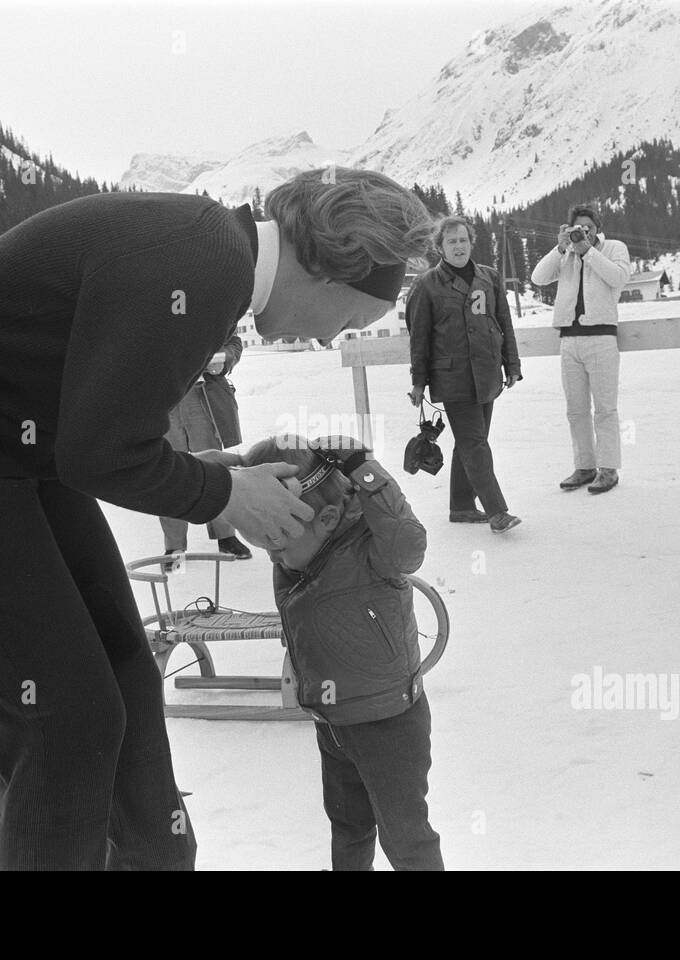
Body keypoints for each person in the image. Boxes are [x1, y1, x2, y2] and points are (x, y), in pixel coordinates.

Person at [0, 168, 434, 869]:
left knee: (124, 676)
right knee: (64, 717)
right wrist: (225, 496)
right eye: (354, 320)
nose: (335, 338)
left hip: (9, 451)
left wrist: (225, 475)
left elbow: (107, 432)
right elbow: (101, 453)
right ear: (336, 274)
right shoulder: (205, 263)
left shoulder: (211, 253)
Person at [242, 433, 442, 871]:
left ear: (328, 517)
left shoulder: (373, 550)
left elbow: (410, 544)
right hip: (332, 720)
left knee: (406, 836)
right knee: (348, 825)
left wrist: (364, 470)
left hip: (387, 722)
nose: (273, 557)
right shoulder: (297, 555)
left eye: (276, 543)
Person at [406, 215, 523, 533]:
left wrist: (512, 365)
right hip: (453, 376)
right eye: (451, 241)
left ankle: (460, 506)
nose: (458, 246)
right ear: (440, 247)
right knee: (475, 443)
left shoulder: (490, 277)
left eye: (463, 240)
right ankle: (497, 511)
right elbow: (419, 337)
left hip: (487, 374)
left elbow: (503, 323)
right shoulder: (427, 284)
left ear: (472, 242)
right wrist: (418, 381)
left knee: (472, 441)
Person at [529, 204, 632, 494]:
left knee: (605, 409)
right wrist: (560, 249)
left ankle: (608, 468)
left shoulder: (613, 248)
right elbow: (538, 278)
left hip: (601, 336)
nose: (583, 232)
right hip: (569, 338)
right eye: (578, 227)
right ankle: (585, 466)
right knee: (575, 410)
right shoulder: (566, 253)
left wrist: (588, 250)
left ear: (598, 227)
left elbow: (618, 278)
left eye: (588, 227)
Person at [159, 325, 252, 566]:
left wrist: (224, 360)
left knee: (214, 469)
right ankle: (174, 549)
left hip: (202, 398)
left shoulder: (206, 302)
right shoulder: (142, 307)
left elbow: (233, 342)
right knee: (167, 475)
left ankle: (226, 537)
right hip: (162, 401)